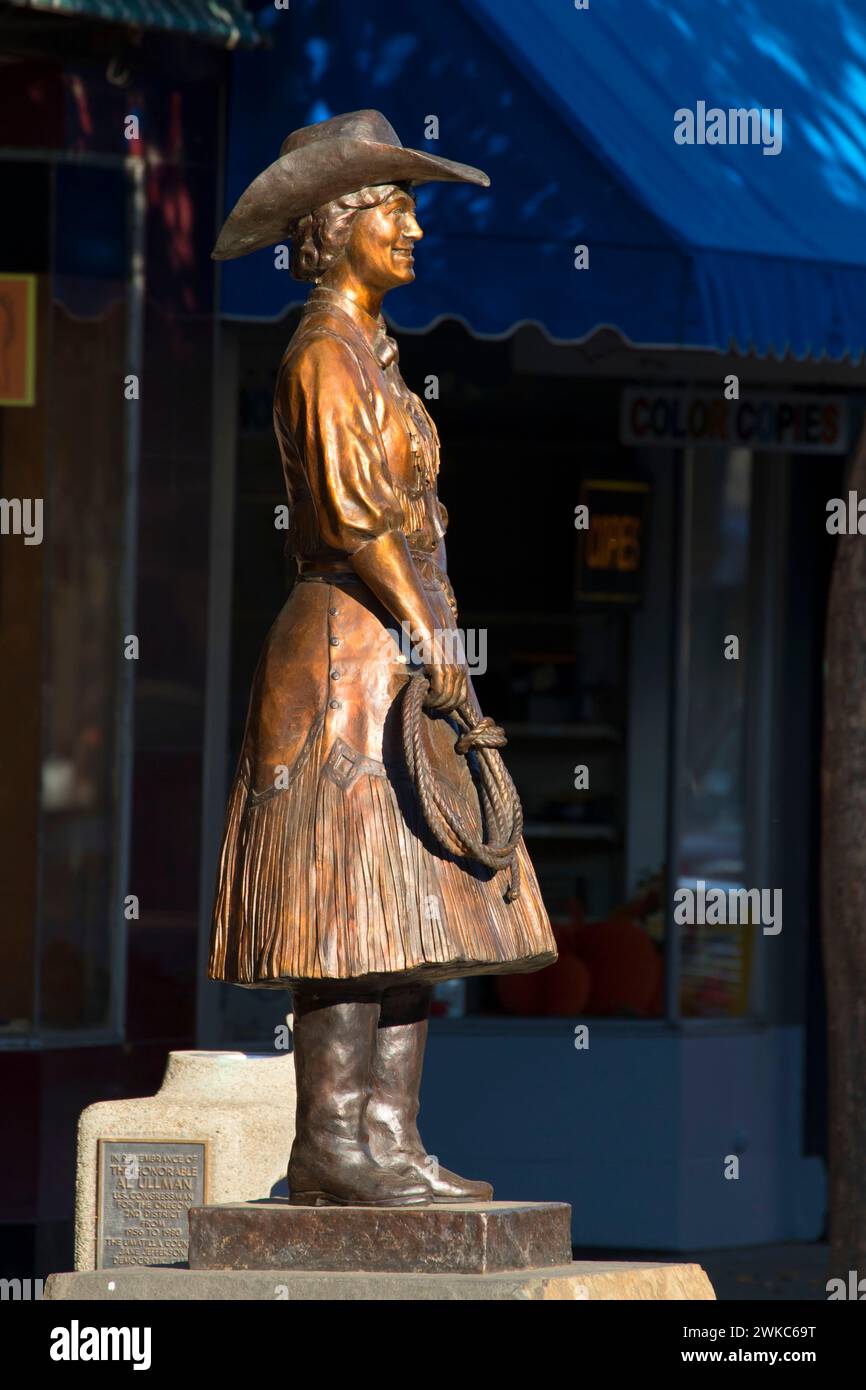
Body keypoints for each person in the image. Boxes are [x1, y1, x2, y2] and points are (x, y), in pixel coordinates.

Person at [209, 111, 556, 1206]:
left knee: (413, 912)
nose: (413, 227)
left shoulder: (377, 357)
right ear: (339, 223)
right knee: (344, 912)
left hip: (399, 657)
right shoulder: (322, 355)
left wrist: (435, 650)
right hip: (342, 666)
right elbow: (359, 524)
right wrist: (431, 637)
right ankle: (330, 1144)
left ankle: (390, 1138)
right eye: (395, 207)